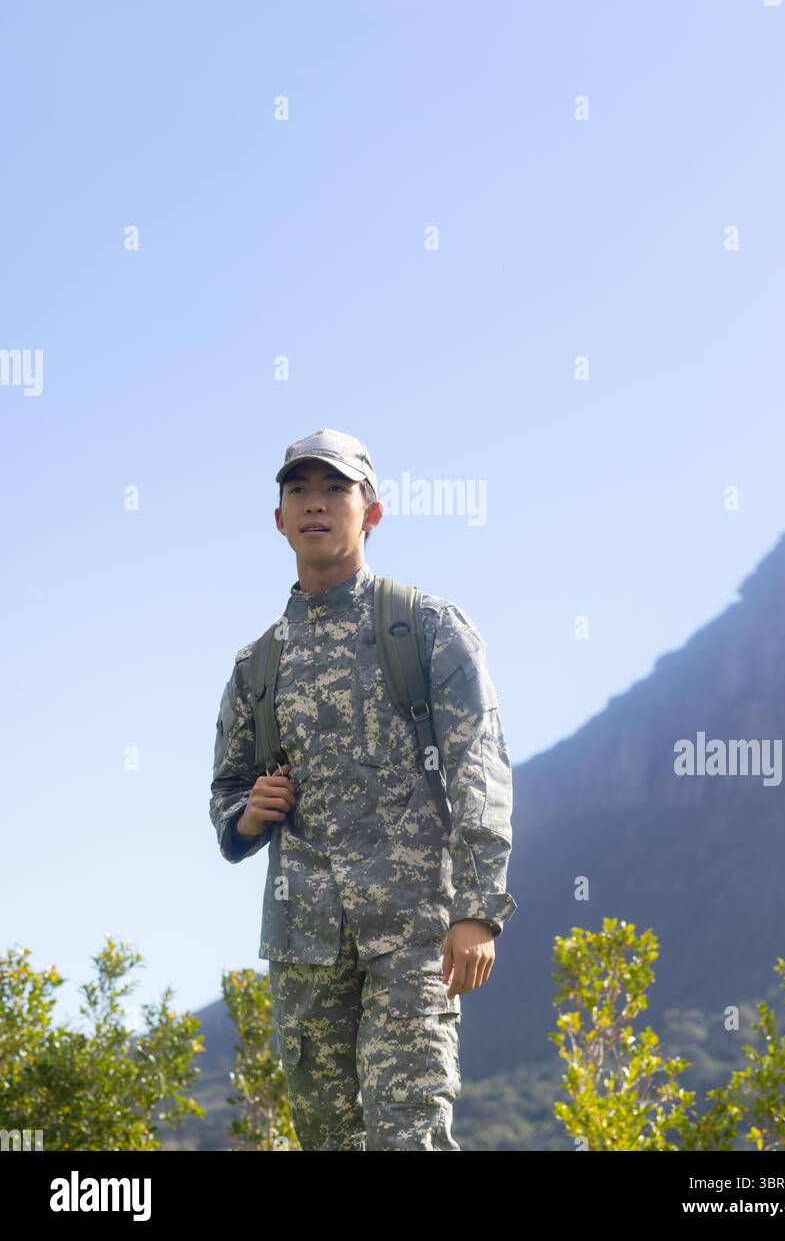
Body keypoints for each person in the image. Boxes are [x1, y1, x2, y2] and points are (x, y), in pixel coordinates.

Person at [210, 428, 517, 1150]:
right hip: (304, 947)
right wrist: (248, 814)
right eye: (299, 490)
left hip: (412, 937)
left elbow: (480, 767)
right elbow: (226, 791)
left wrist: (478, 910)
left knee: (409, 1133)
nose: (315, 504)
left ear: (371, 512)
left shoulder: (425, 627)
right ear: (279, 519)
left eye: (334, 489)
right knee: (327, 1141)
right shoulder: (257, 665)